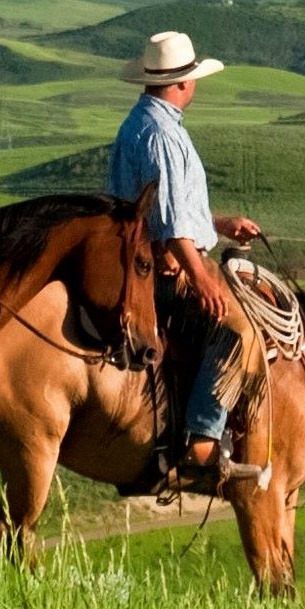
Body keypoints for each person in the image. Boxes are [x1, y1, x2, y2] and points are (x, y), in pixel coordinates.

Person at [105, 31, 262, 480]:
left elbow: (168, 208)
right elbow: (172, 225)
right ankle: (203, 438)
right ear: (182, 83)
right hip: (165, 270)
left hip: (150, 258)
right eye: (192, 78)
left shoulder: (142, 122)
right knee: (240, 332)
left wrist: (219, 224)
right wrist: (201, 278)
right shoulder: (162, 135)